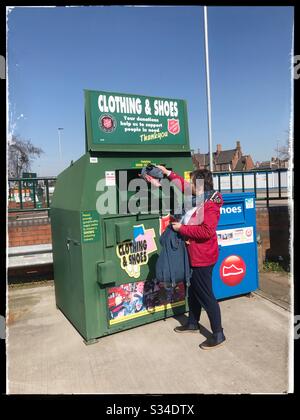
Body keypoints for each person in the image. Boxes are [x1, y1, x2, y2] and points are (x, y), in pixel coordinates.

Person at [156, 166, 226, 350]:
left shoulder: (210, 204)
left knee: (205, 294)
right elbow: (182, 184)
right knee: (194, 290)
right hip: (193, 254)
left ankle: (218, 333)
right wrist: (167, 173)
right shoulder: (198, 199)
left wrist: (182, 229)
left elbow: (206, 231)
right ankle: (193, 323)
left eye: (193, 183)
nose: (190, 186)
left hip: (203, 257)